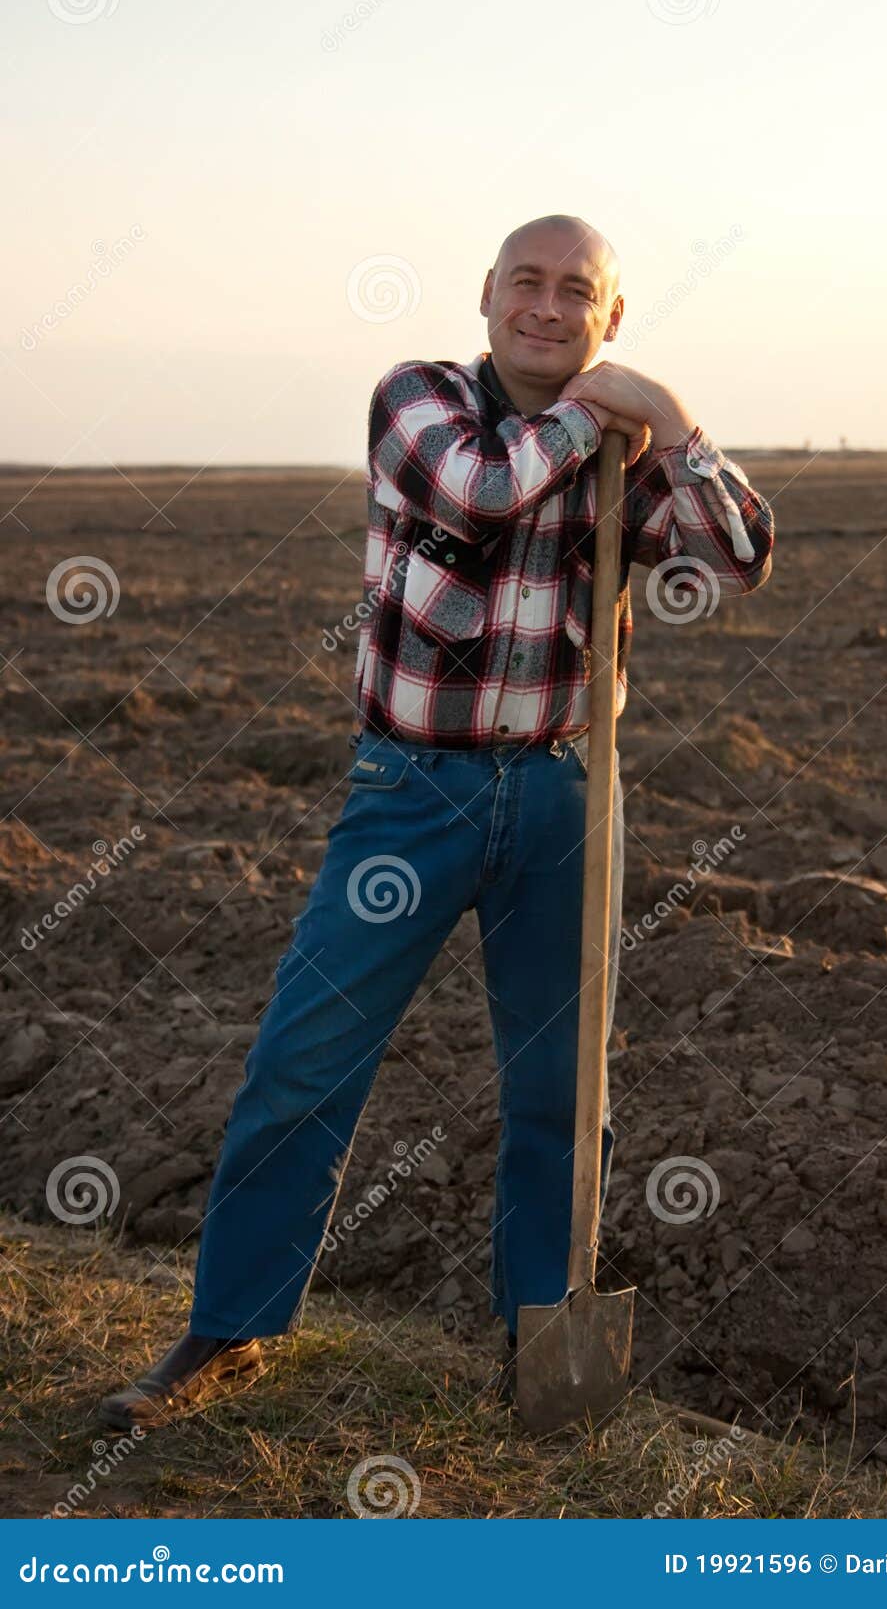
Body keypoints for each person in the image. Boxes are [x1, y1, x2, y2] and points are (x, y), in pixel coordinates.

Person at [99, 213, 774, 1429]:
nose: (548, 306)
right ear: (487, 294)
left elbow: (733, 562)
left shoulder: (632, 444)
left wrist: (671, 422)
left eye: (579, 291)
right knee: (305, 1058)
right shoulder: (418, 402)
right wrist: (596, 416)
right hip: (411, 793)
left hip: (565, 790)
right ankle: (228, 1329)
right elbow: (481, 492)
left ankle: (537, 1352)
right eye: (528, 281)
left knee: (562, 1093)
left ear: (608, 318)